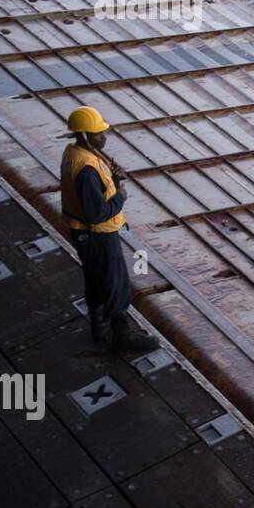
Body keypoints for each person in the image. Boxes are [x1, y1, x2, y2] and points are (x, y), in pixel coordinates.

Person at [59, 106, 157, 352]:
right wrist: (120, 197)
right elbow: (96, 213)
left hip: (84, 233)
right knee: (115, 282)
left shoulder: (76, 153)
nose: (104, 137)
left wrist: (112, 180)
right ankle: (122, 333)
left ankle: (98, 325)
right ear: (83, 135)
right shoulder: (87, 168)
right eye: (98, 134)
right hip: (98, 234)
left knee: (96, 279)